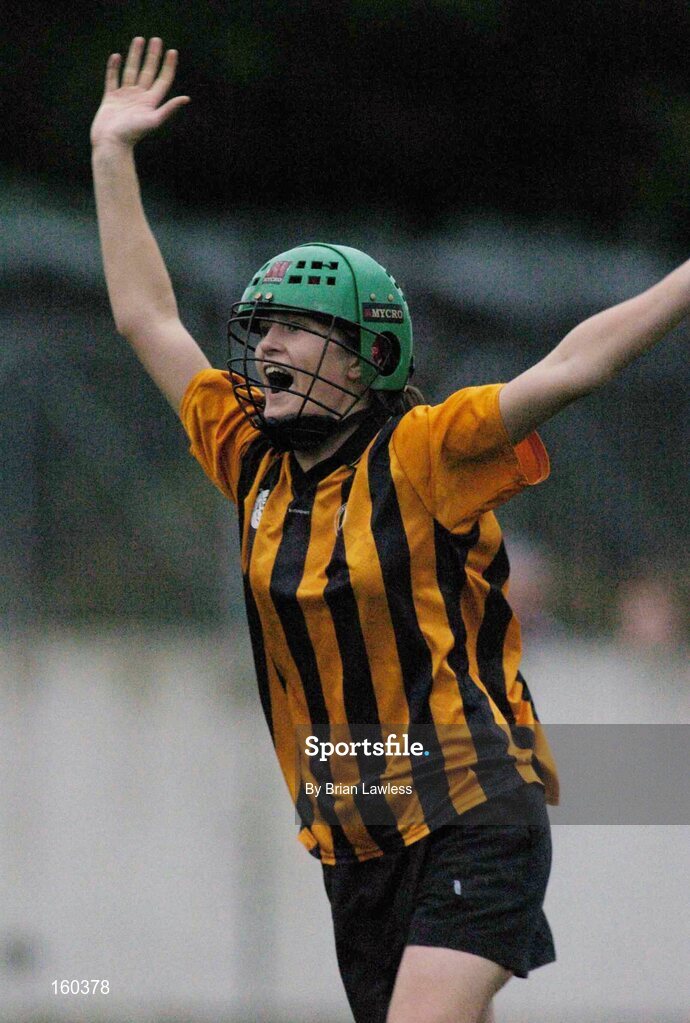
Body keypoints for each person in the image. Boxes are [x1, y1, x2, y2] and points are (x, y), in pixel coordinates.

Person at [91, 38, 686, 1023]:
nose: (266, 345)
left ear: (369, 356)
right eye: (261, 327)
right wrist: (114, 153)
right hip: (353, 845)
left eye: (294, 328)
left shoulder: (424, 449)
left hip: (470, 809)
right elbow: (146, 317)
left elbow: (574, 369)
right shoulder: (248, 453)